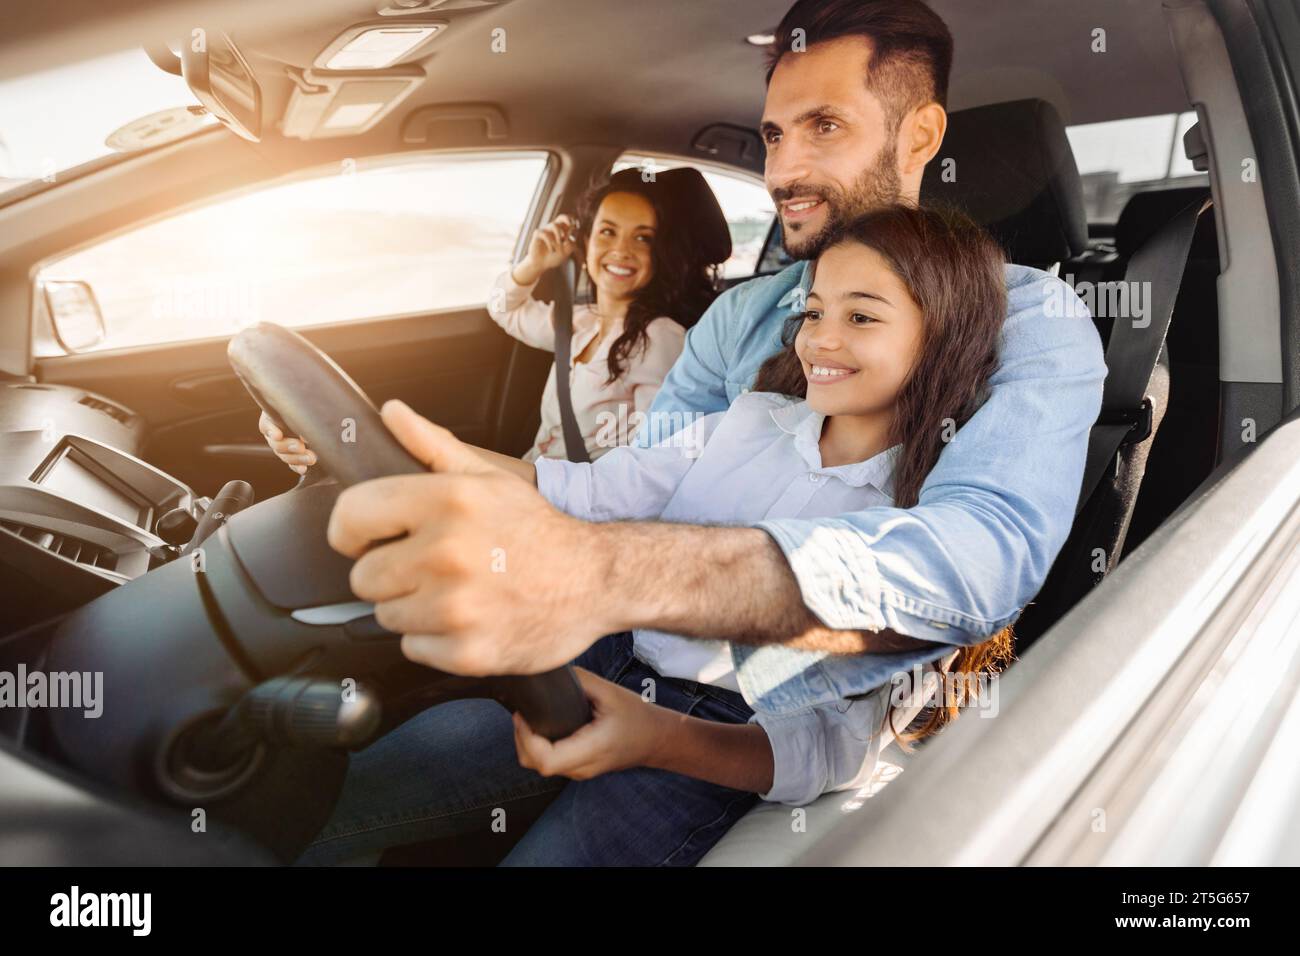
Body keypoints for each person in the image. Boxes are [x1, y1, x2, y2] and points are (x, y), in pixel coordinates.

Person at [315, 0, 1106, 861]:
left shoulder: (1028, 319)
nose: (784, 171)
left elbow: (973, 563)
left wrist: (601, 576)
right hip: (614, 660)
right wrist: (413, 458)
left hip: (758, 714)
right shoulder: (742, 323)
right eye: (772, 136)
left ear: (919, 136)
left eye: (825, 126)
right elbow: (628, 488)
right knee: (343, 796)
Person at [304, 203, 1013, 865]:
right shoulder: (750, 419)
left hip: (714, 740)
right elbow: (586, 492)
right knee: (345, 798)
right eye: (814, 310)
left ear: (943, 335)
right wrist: (416, 448)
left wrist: (662, 738)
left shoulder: (931, 530)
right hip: (596, 663)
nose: (820, 339)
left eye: (862, 318)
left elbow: (839, 746)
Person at [260, 168, 718, 469]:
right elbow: (507, 309)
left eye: (643, 238)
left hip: (572, 504)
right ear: (586, 241)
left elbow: (650, 461)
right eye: (607, 232)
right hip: (530, 477)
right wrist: (533, 265)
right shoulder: (577, 323)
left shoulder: (661, 339)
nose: (620, 250)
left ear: (664, 252)